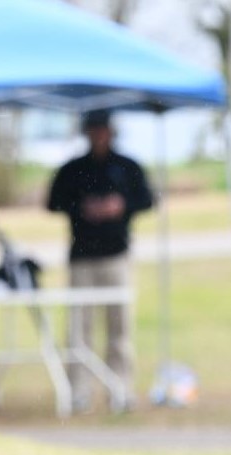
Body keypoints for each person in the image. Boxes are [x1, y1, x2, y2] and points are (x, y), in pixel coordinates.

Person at [46, 109, 155, 409]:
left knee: (119, 325)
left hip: (116, 254)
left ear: (111, 131)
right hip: (82, 255)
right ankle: (79, 392)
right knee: (79, 327)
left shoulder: (126, 166)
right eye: (93, 129)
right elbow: (53, 201)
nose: (99, 135)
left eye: (103, 129)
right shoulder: (73, 169)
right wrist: (84, 207)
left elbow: (147, 199)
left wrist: (119, 206)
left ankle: (120, 389)